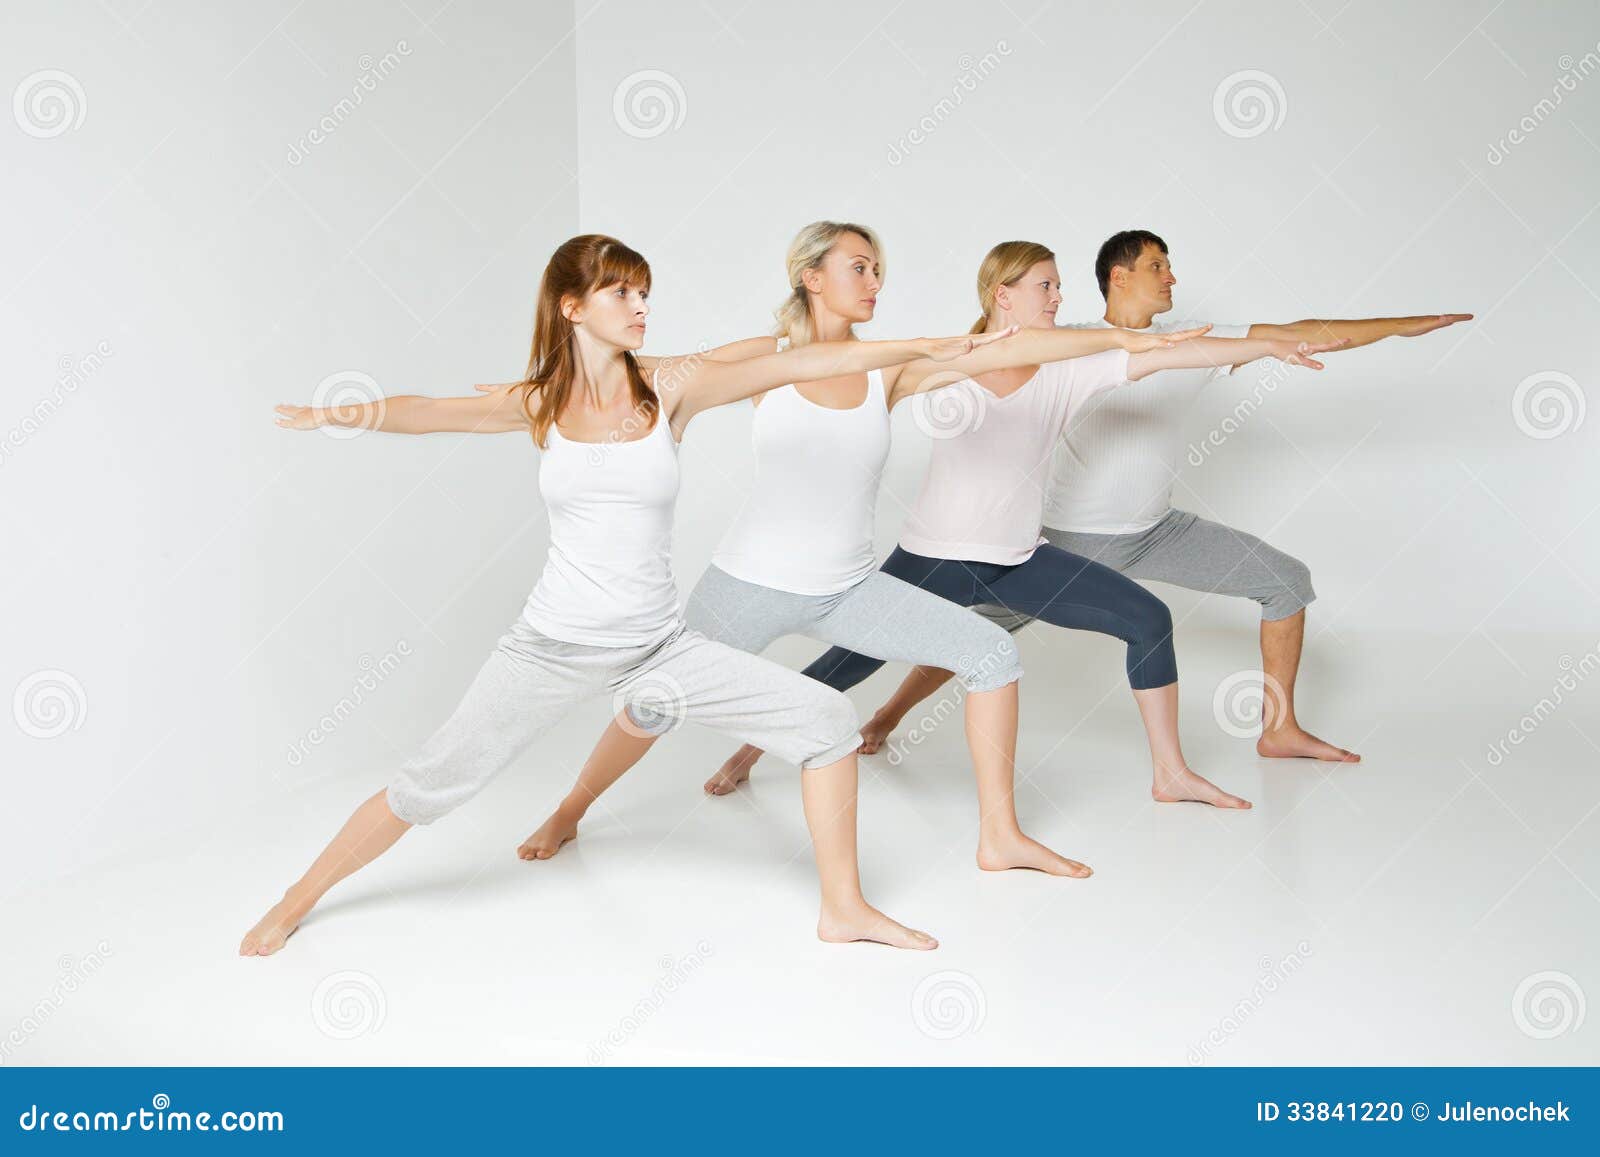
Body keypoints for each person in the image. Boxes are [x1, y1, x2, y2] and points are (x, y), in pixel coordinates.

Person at [240, 233, 1018, 956]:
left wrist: (929, 346)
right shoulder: (540, 401)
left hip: (659, 646)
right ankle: (296, 896)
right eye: (621, 294)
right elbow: (433, 411)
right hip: (549, 647)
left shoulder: (670, 391)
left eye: (645, 293)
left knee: (826, 720)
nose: (641, 307)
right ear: (573, 307)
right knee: (425, 787)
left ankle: (843, 908)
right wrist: (339, 412)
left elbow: (799, 363)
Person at [517, 222, 1211, 879]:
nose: (874, 279)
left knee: (992, 653)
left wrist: (1130, 348)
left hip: (848, 588)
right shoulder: (765, 359)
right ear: (810, 277)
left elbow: (1004, 350)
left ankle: (1000, 835)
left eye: (878, 268)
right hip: (749, 580)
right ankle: (568, 810)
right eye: (858, 267)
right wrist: (551, 376)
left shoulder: (889, 368)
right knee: (652, 703)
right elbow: (653, 366)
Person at [862, 229, 1470, 764]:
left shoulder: (1188, 340)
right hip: (1068, 543)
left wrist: (1397, 326)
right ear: (1117, 276)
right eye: (1158, 265)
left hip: (1158, 533)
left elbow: (1291, 334)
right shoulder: (1065, 343)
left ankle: (1278, 729)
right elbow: (988, 350)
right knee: (977, 636)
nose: (1171, 276)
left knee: (1285, 581)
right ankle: (887, 717)